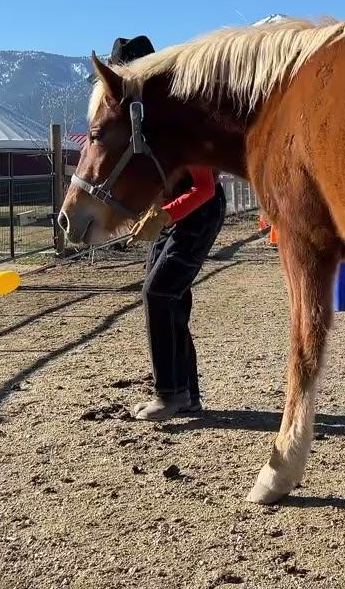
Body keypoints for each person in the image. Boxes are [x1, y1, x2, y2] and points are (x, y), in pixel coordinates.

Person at [105, 36, 228, 420]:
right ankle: (186, 394)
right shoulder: (147, 123)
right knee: (170, 299)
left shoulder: (180, 119)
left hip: (199, 213)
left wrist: (165, 215)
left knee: (158, 293)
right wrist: (150, 212)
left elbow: (204, 188)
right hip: (174, 214)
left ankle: (169, 395)